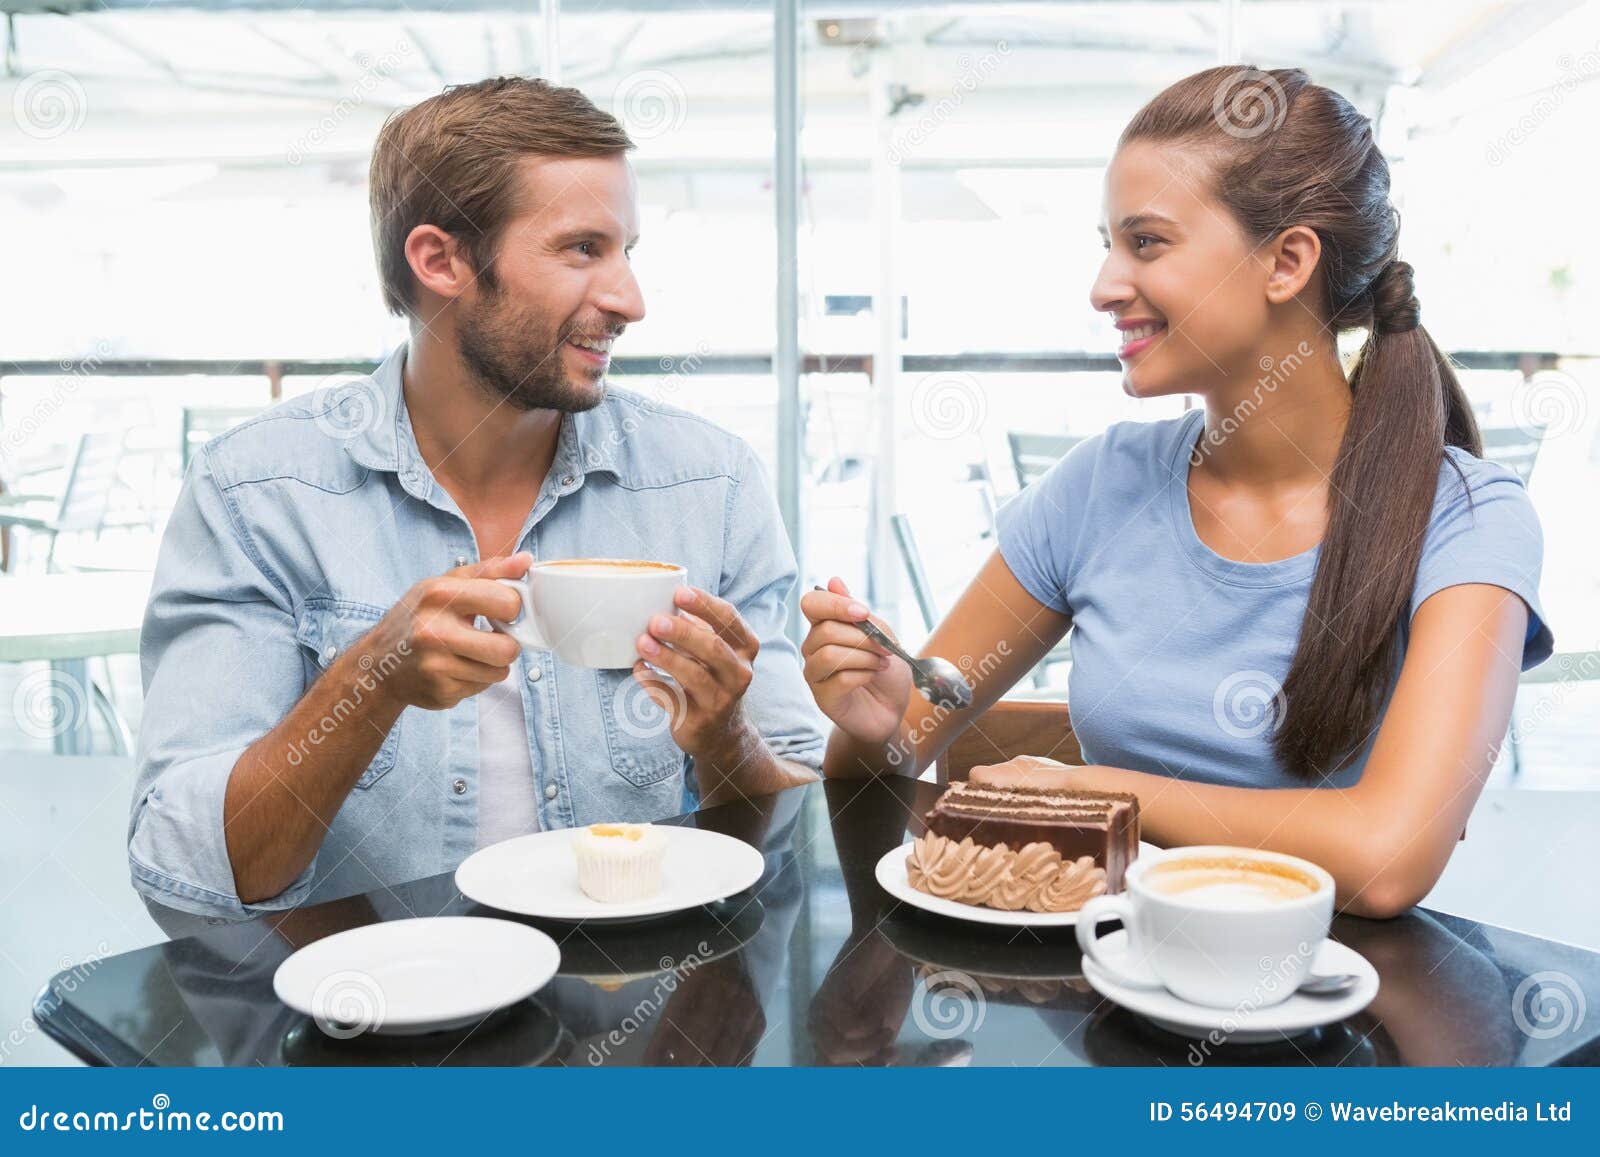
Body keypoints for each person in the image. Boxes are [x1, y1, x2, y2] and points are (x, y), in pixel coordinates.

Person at [800, 66, 1553, 920]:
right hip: (1106, 988)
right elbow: (893, 754)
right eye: (1107, 243)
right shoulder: (1096, 488)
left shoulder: (1468, 518)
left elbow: (1387, 859)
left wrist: (1093, 789)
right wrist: (871, 726)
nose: (1103, 285)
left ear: (1288, 261)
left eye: (1147, 243)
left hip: (1339, 1011)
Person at [129, 77, 821, 925]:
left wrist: (723, 738)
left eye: (627, 250)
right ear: (440, 260)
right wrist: (369, 681)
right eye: (581, 249)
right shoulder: (255, 495)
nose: (629, 300)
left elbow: (798, 824)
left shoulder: (712, 486)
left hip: (641, 1021)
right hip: (377, 1028)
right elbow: (188, 863)